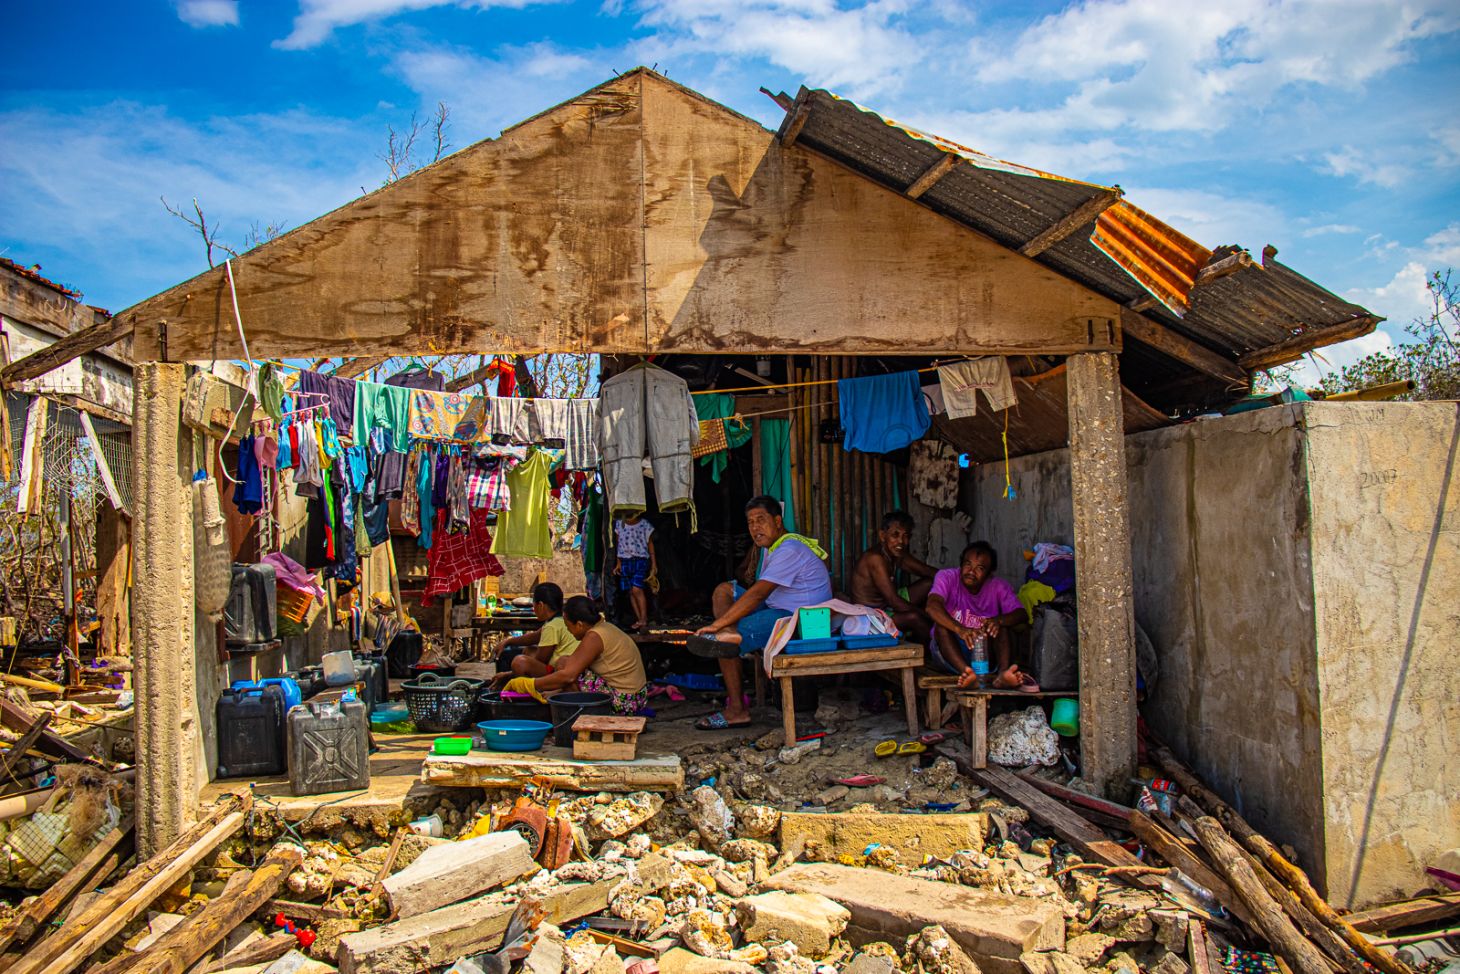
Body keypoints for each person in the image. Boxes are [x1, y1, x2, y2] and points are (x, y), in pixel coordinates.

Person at [688, 495, 833, 730]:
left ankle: (736, 710)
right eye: (750, 522)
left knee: (720, 642)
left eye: (761, 520)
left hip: (800, 621)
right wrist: (726, 622)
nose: (755, 527)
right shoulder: (773, 548)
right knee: (724, 590)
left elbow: (758, 594)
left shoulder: (790, 549)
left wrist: (716, 624)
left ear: (777, 521)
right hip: (780, 609)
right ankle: (730, 631)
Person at [505, 596, 650, 714]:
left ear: (579, 624)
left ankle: (577, 715)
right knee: (565, 661)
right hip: (638, 697)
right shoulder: (605, 627)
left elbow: (568, 676)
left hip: (625, 702)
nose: (568, 631)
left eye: (568, 626)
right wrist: (556, 690)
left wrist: (528, 684)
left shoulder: (594, 637)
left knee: (566, 668)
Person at [925, 541, 1033, 690]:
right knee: (941, 627)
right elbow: (932, 606)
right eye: (967, 564)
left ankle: (1002, 675)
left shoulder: (998, 586)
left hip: (985, 655)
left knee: (1001, 627)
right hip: (949, 653)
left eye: (980, 568)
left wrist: (998, 620)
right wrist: (960, 629)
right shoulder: (947, 577)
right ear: (961, 564)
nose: (971, 571)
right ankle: (967, 674)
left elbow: (1022, 614)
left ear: (989, 574)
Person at [849, 511, 937, 644]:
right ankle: (927, 649)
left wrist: (955, 579)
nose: (901, 541)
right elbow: (894, 601)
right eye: (895, 535)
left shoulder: (896, 553)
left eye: (906, 536)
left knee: (931, 583)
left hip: (888, 604)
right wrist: (931, 615)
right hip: (872, 616)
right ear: (882, 536)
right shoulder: (875, 559)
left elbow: (927, 571)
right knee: (915, 618)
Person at [490, 583, 579, 686]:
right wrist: (507, 642)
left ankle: (527, 688)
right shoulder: (559, 620)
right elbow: (535, 636)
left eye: (534, 604)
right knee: (529, 650)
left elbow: (540, 660)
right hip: (570, 667)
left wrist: (507, 675)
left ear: (540, 605)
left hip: (560, 672)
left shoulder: (552, 626)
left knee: (519, 662)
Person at [614, 512, 656, 632]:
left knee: (637, 589)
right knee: (631, 591)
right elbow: (618, 544)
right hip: (625, 561)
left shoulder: (644, 524)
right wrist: (618, 563)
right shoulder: (619, 524)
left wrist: (654, 564)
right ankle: (640, 620)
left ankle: (643, 618)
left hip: (640, 560)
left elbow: (650, 544)